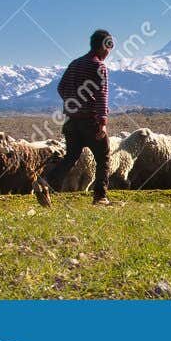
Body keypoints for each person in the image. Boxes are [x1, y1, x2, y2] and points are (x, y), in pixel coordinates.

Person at [35, 29, 114, 207]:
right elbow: (102, 95)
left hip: (72, 122)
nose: (110, 51)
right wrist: (102, 122)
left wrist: (73, 103)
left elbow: (61, 88)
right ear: (103, 46)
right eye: (109, 46)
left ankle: (45, 184)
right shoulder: (98, 66)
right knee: (103, 158)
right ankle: (100, 197)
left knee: (71, 157)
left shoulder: (75, 64)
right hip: (90, 121)